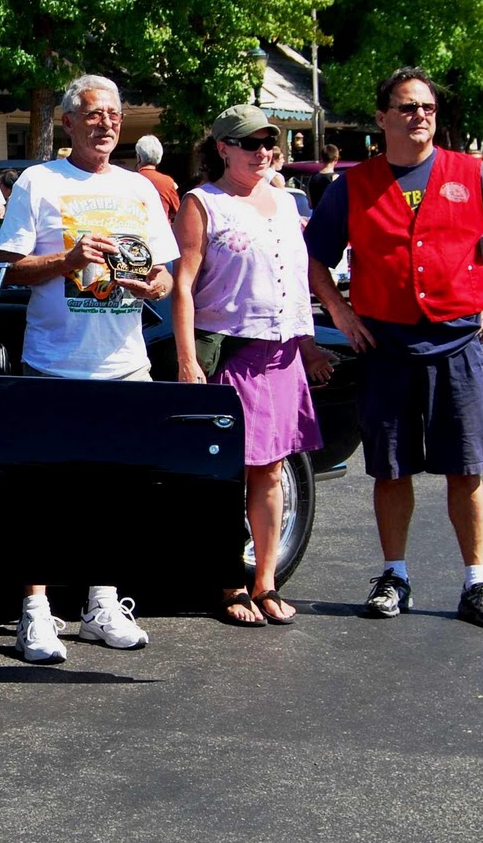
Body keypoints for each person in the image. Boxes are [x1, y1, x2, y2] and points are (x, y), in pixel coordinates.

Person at [305, 66, 483, 629]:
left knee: (466, 468)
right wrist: (338, 310)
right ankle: (395, 575)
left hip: (456, 340)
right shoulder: (353, 185)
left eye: (427, 108)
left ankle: (476, 582)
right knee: (391, 470)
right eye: (408, 108)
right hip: (386, 345)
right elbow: (311, 255)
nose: (420, 117)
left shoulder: (470, 173)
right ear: (383, 117)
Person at [0, 73, 177, 662]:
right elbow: (6, 269)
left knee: (114, 494)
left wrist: (154, 285)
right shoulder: (39, 181)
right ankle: (36, 614)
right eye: (95, 114)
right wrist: (67, 260)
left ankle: (102, 603)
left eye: (115, 114)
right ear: (68, 121)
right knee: (46, 496)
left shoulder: (140, 189)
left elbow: (169, 273)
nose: (107, 124)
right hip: (54, 363)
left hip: (125, 363)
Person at [172, 106, 335, 626]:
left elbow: (295, 282)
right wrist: (185, 361)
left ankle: (264, 581)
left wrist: (307, 344)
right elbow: (183, 284)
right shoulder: (202, 203)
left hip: (282, 354)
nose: (262, 151)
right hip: (233, 354)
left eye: (270, 142)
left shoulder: (285, 202)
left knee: (270, 473)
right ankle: (228, 583)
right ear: (222, 148)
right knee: (229, 477)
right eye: (250, 143)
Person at [134, 135, 180, 222]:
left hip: (138, 231)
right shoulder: (167, 182)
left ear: (139, 157)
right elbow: (177, 211)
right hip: (162, 231)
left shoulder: (131, 180)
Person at [307, 145, 341, 209]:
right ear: (336, 159)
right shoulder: (335, 178)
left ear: (322, 158)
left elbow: (310, 205)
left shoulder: (312, 177)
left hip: (316, 216)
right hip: (330, 216)